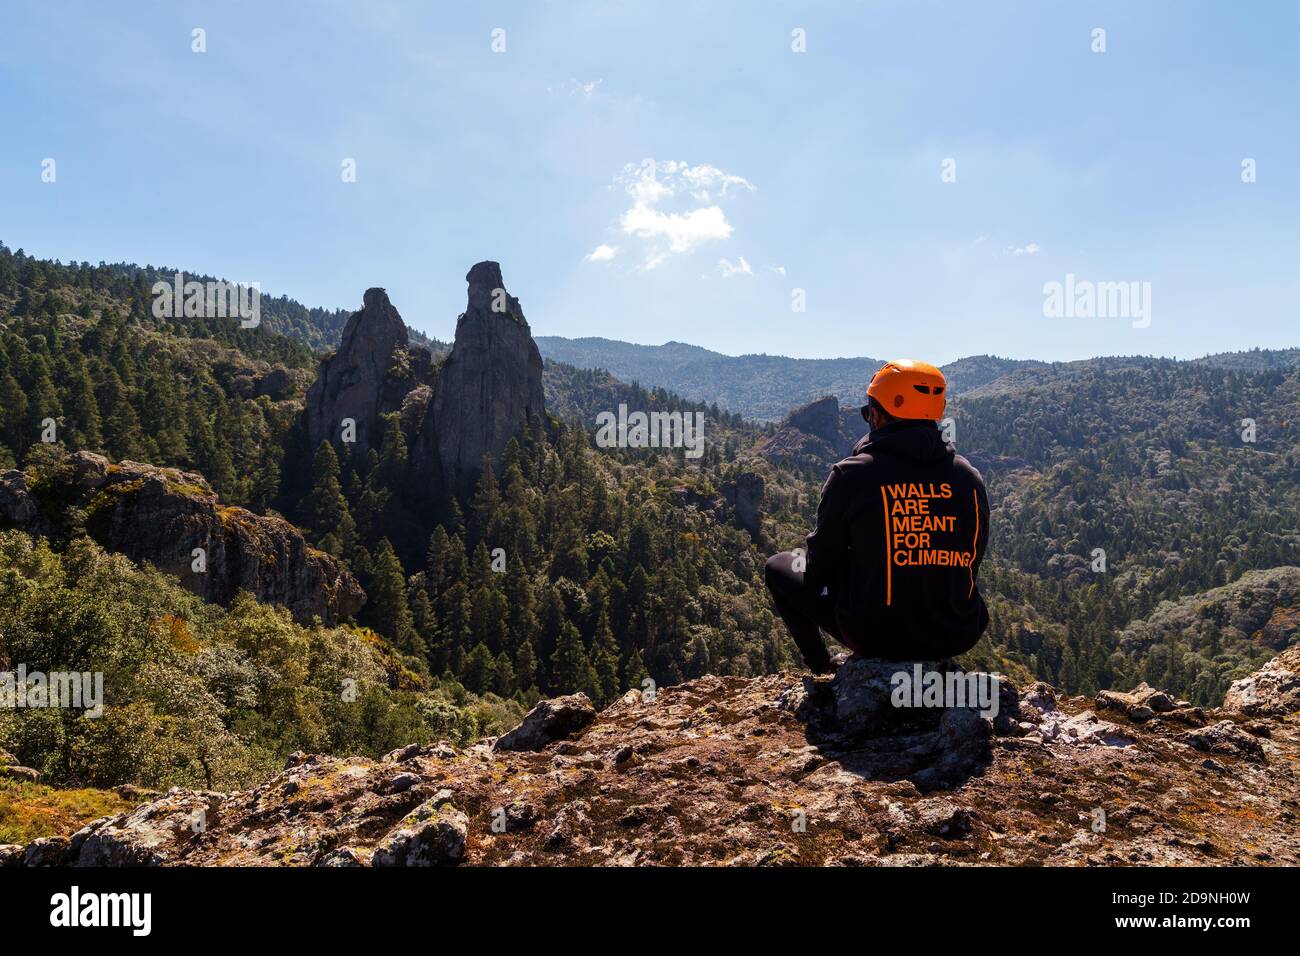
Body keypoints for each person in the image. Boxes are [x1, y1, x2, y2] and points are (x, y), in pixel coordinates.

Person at [765, 359, 990, 672]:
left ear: (879, 415)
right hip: (956, 632)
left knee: (777, 566)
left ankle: (820, 667)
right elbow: (971, 561)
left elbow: (818, 568)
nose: (868, 417)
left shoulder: (852, 475)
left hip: (875, 635)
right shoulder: (969, 478)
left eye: (869, 411)